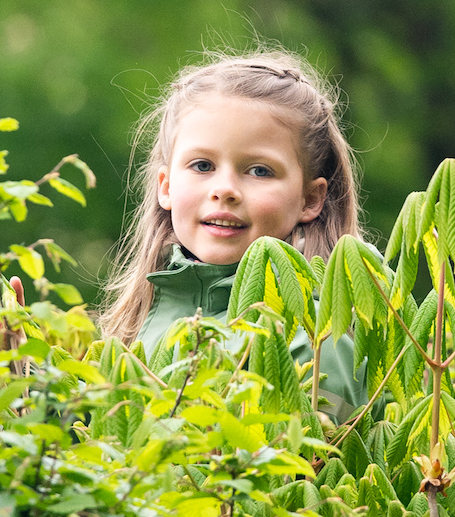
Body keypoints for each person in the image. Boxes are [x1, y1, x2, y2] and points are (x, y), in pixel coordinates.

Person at [100, 50, 369, 421]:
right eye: (202, 165)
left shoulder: (317, 337)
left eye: (259, 171)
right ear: (166, 186)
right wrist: (22, 377)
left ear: (310, 199)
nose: (224, 189)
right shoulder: (139, 320)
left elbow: (308, 454)